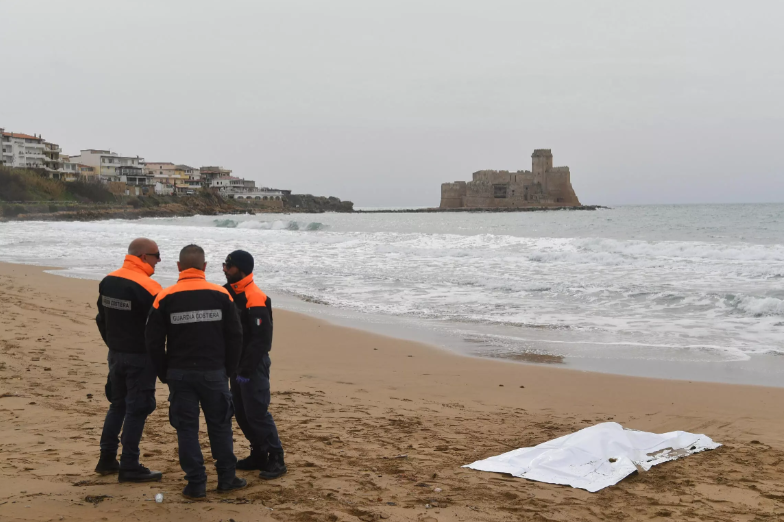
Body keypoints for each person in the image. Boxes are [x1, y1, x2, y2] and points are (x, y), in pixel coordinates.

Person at [146, 244, 246, 500]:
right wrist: (229, 369)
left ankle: (196, 484)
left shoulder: (165, 296)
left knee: (187, 429)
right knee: (220, 426)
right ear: (204, 267)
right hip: (214, 372)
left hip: (179, 374)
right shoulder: (221, 295)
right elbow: (235, 336)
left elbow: (153, 341)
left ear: (179, 267)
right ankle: (226, 478)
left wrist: (163, 372)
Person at [95, 238, 164, 483]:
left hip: (116, 353)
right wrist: (160, 361)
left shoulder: (109, 280)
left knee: (118, 405)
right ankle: (130, 465)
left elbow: (100, 318)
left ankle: (106, 459)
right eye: (157, 255)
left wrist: (113, 344)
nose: (159, 260)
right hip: (140, 357)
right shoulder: (150, 288)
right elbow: (158, 331)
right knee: (138, 408)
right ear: (144, 256)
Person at [223, 250, 287, 479]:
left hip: (253, 366)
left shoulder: (255, 297)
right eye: (224, 264)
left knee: (257, 413)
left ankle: (276, 457)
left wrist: (246, 371)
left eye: (228, 266)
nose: (224, 269)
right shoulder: (226, 292)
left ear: (240, 269)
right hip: (234, 365)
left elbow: (261, 340)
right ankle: (259, 453)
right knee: (240, 413)